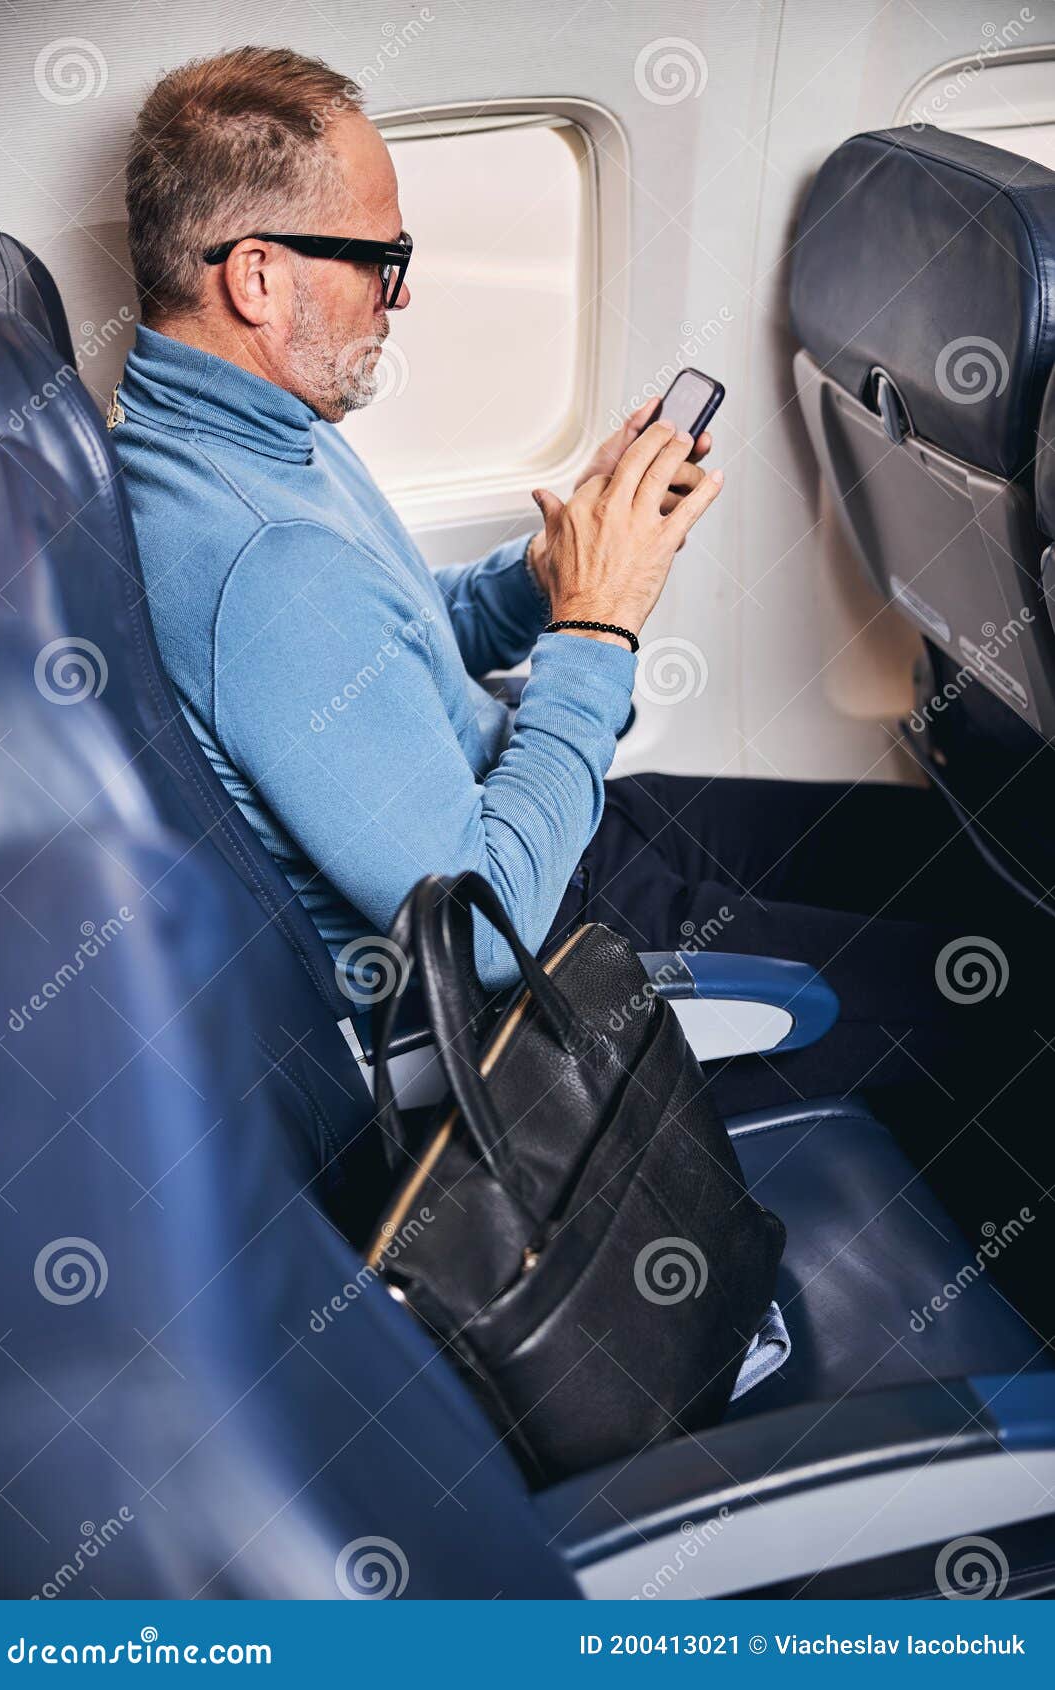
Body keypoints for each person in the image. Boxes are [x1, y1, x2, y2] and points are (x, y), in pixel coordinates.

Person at [114, 45, 1037, 1115]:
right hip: (550, 935)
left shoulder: (254, 434)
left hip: (553, 820)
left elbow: (394, 644)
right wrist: (597, 627)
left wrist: (549, 570)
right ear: (259, 277)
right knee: (999, 998)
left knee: (936, 861)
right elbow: (478, 929)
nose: (397, 297)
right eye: (380, 259)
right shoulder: (259, 555)